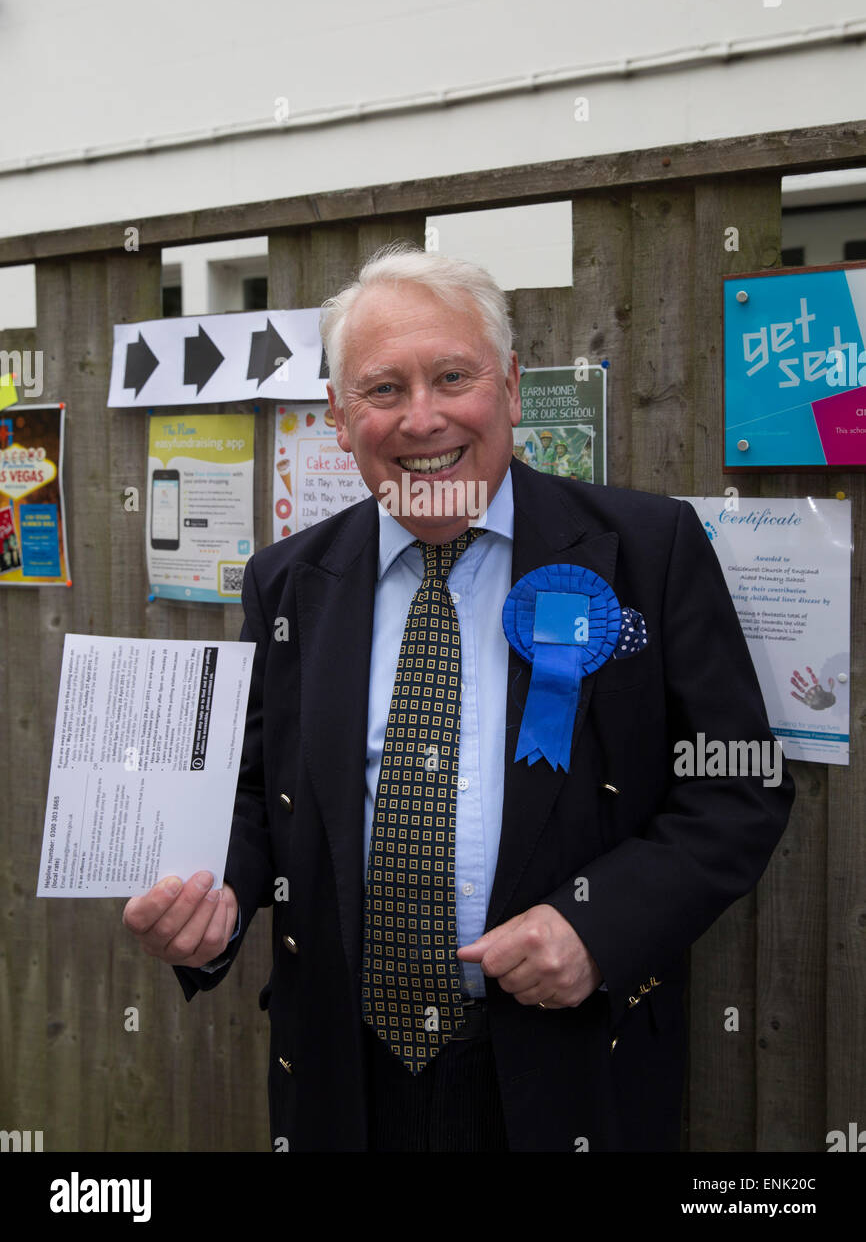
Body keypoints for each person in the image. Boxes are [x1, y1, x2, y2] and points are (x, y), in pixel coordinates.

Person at [122, 243, 794, 1153]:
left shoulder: (647, 549)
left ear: (511, 390)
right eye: (383, 390)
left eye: (452, 377)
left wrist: (596, 923)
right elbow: (257, 791)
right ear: (338, 415)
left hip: (565, 1071)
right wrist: (216, 904)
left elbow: (736, 783)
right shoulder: (288, 582)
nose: (422, 418)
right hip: (344, 1075)